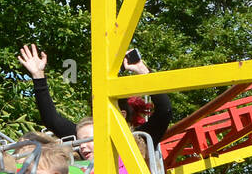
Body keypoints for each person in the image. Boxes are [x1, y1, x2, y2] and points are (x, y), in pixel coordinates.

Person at [18, 43, 172, 149]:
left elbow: (164, 110)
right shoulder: (86, 137)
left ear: (122, 114)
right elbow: (51, 119)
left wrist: (143, 72)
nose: (95, 116)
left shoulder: (140, 138)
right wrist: (38, 76)